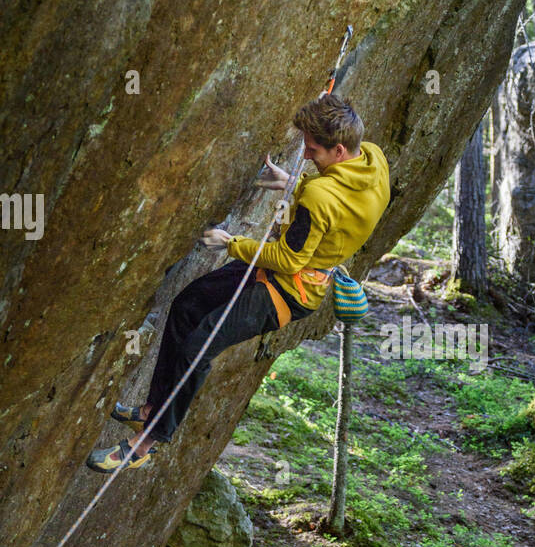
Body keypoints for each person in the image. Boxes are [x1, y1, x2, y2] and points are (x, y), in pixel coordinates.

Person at [87, 94, 389, 472]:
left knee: (198, 347)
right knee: (187, 306)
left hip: (288, 290)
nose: (307, 155)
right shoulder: (373, 160)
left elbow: (288, 258)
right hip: (285, 271)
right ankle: (153, 408)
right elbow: (340, 207)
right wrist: (293, 185)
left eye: (313, 150)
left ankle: (148, 442)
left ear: (339, 149)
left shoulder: (319, 195)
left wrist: (231, 244)